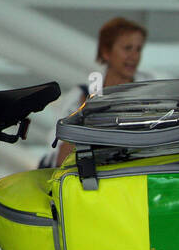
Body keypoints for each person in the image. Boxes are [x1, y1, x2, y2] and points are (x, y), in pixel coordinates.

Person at [45, 16, 147, 168]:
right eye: (127, 48)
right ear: (106, 52)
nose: (134, 56)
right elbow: (61, 159)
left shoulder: (148, 95)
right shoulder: (80, 96)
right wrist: (83, 118)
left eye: (138, 49)